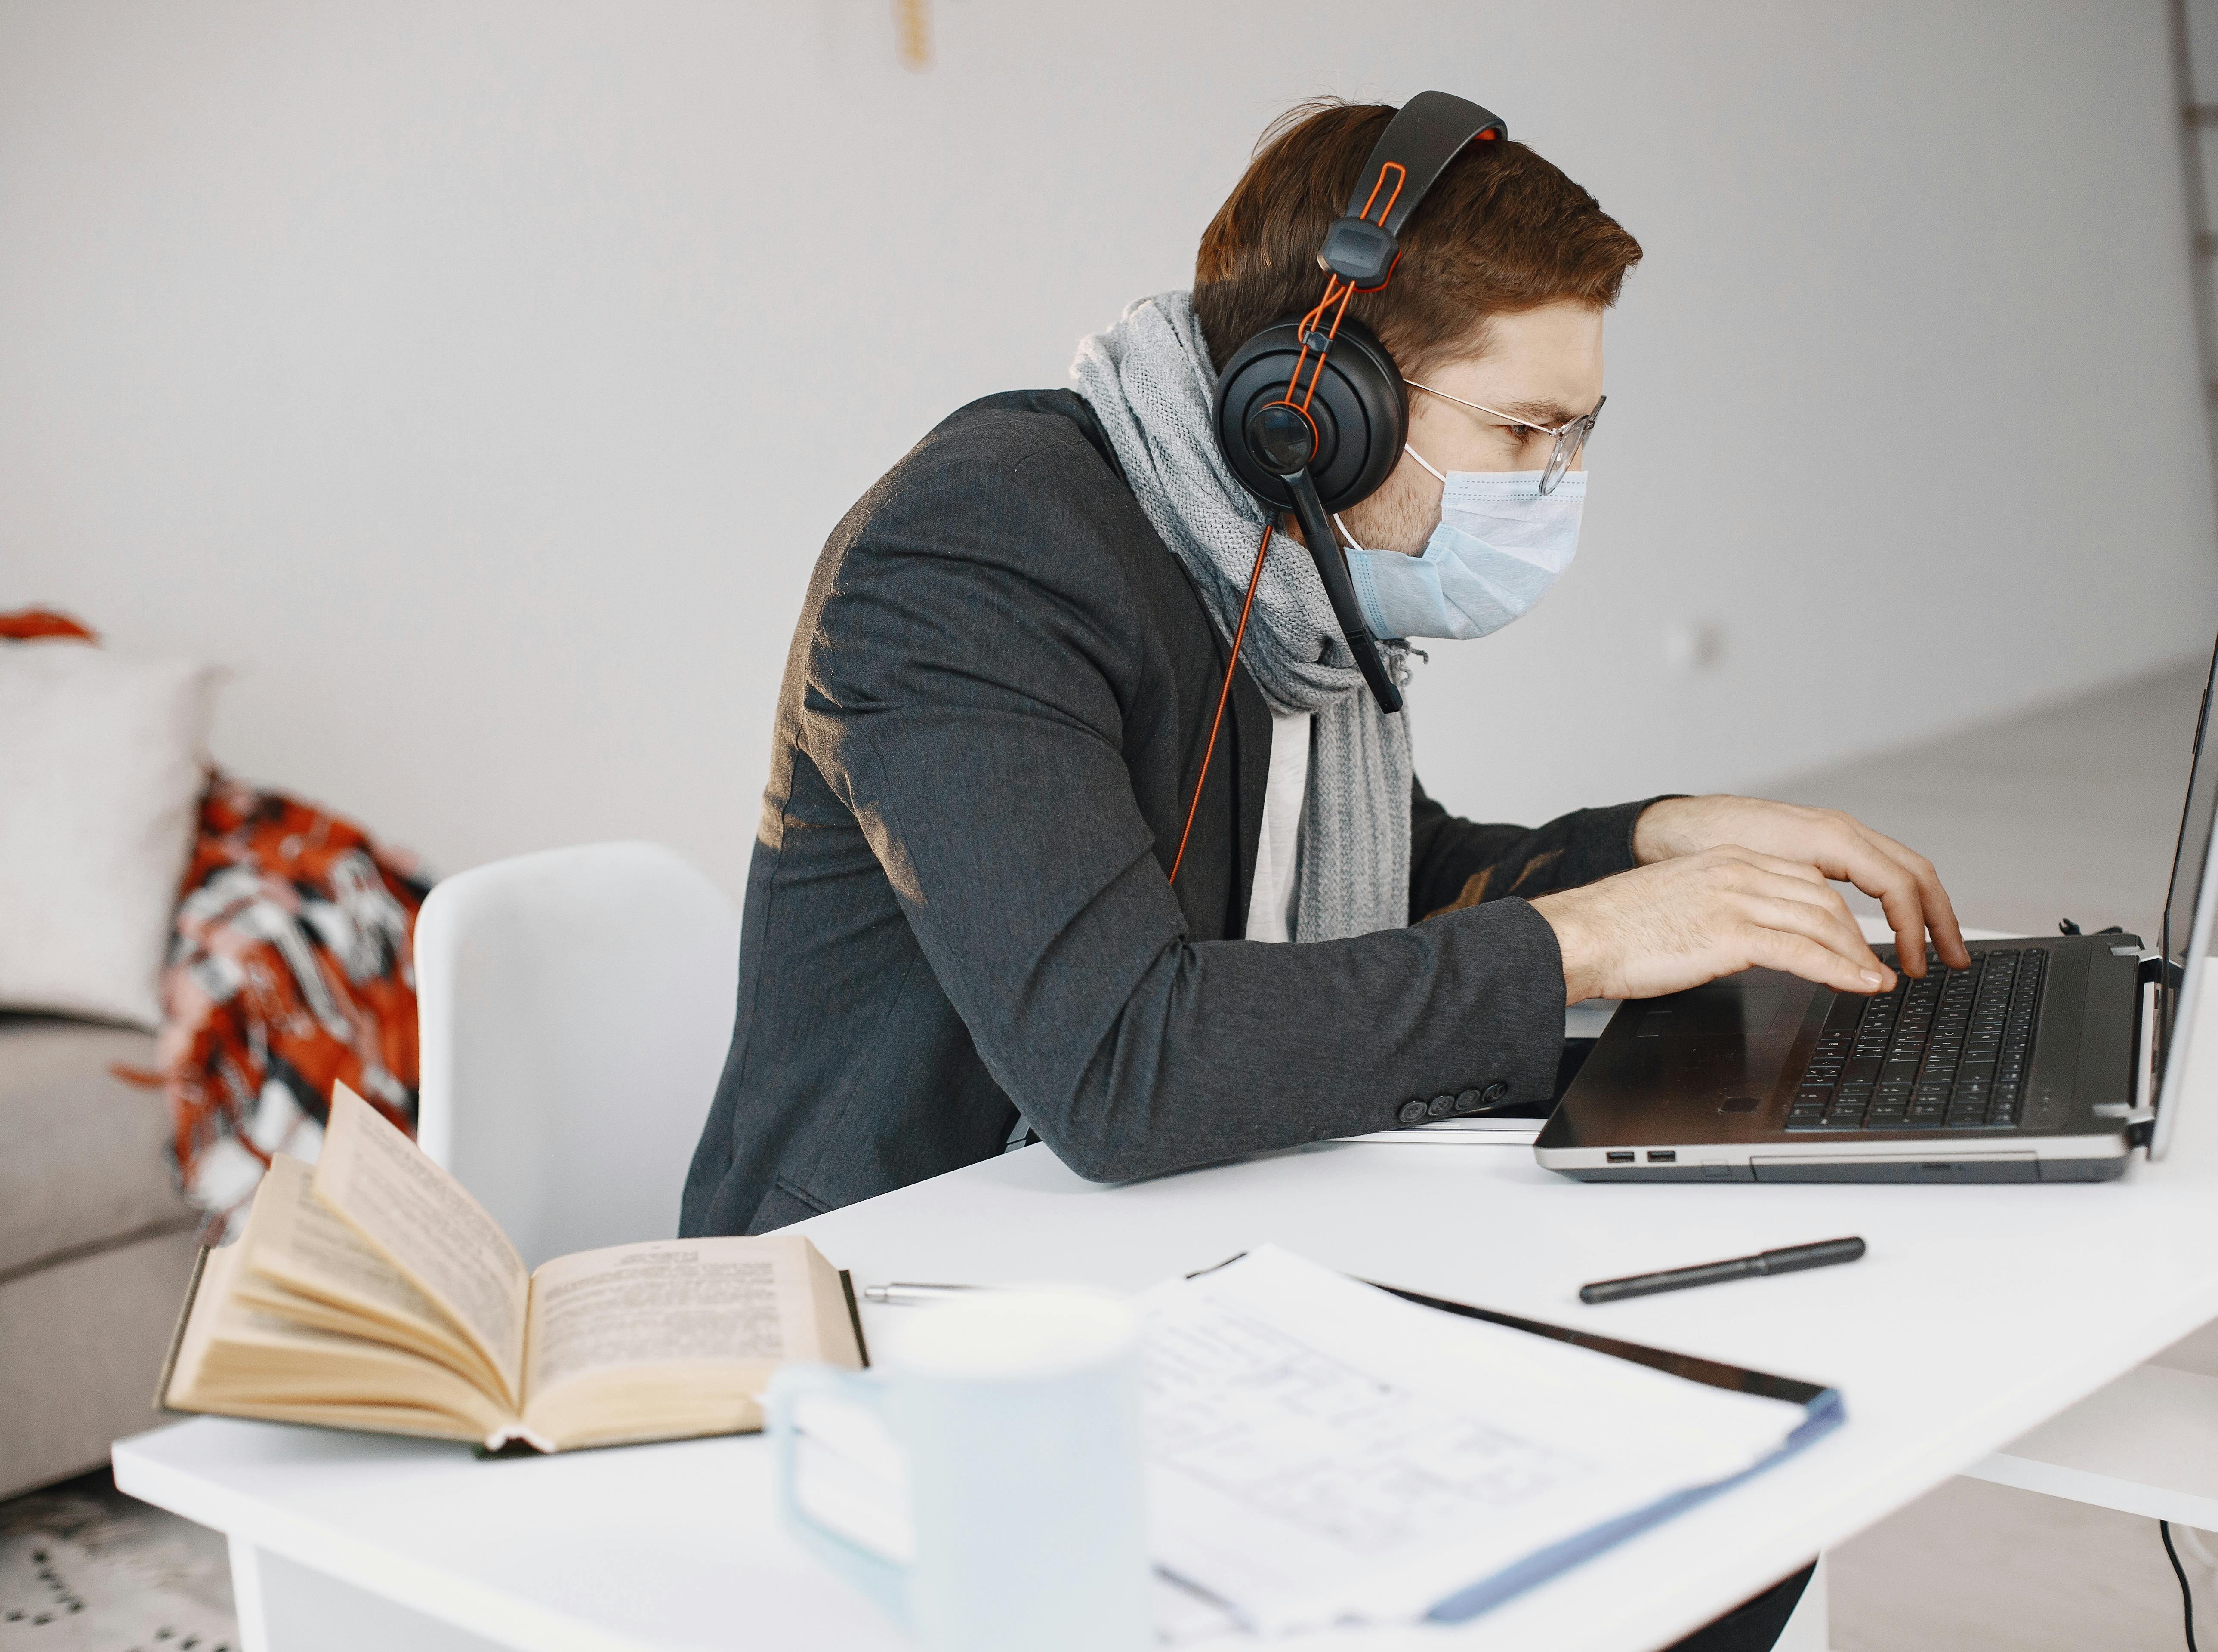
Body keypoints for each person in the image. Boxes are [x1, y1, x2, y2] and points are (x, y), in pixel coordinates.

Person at [681, 97, 1968, 1230]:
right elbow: (1124, 1063)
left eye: (1575, 434)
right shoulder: (979, 555)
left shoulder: (1283, 561)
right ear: (1319, 410)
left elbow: (1389, 883)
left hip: (1145, 1230)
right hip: (893, 1281)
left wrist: (1657, 849)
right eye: (1524, 431)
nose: (1554, 485)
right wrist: (1580, 944)